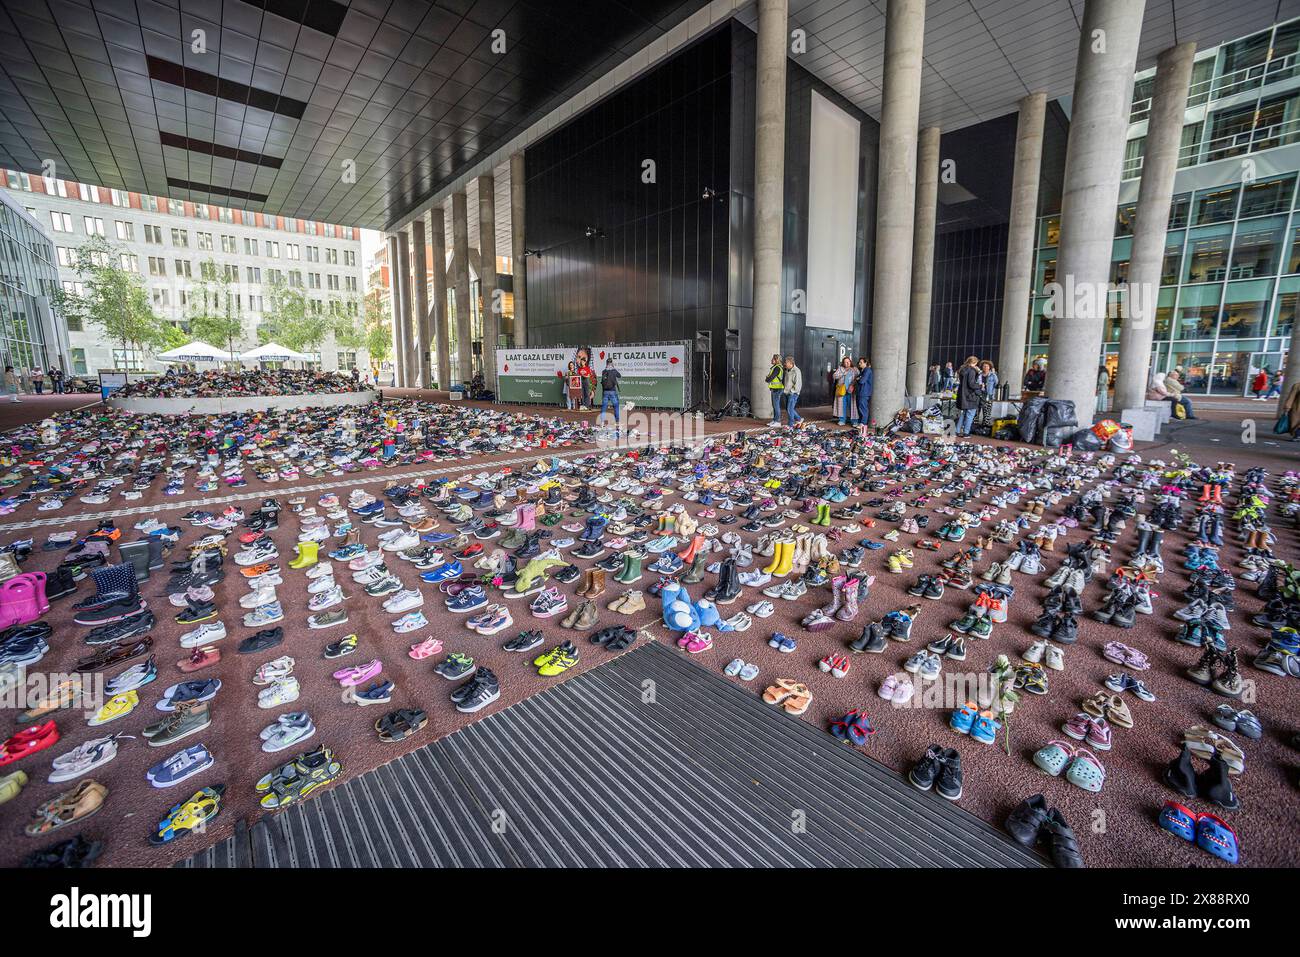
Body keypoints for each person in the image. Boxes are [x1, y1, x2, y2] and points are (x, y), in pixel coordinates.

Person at [598, 357, 622, 429]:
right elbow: (619, 375)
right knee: (616, 406)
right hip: (612, 391)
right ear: (612, 363)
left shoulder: (603, 371)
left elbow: (602, 382)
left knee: (604, 407)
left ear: (606, 363)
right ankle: (617, 422)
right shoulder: (614, 371)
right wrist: (613, 368)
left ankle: (602, 423)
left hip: (605, 392)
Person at [832, 356, 856, 426]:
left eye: (848, 361)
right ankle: (842, 420)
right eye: (845, 362)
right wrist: (843, 373)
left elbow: (858, 377)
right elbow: (834, 376)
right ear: (843, 363)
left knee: (852, 405)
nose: (847, 363)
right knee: (842, 405)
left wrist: (853, 385)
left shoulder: (854, 369)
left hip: (852, 390)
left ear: (850, 362)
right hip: (842, 390)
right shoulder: (840, 369)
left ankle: (854, 421)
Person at [780, 355, 802, 426]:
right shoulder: (787, 370)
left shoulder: (796, 371)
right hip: (786, 392)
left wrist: (792, 391)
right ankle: (799, 419)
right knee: (788, 408)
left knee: (789, 409)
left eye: (786, 363)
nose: (784, 364)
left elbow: (798, 384)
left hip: (793, 393)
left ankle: (791, 424)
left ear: (791, 363)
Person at [764, 353, 784, 426]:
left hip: (777, 389)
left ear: (776, 360)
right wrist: (768, 378)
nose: (771, 360)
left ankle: (778, 421)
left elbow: (770, 378)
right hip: (775, 389)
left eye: (773, 359)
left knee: (776, 405)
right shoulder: (776, 367)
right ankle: (775, 420)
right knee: (774, 405)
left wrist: (767, 379)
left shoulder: (777, 368)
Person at [855, 357, 873, 428]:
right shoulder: (863, 370)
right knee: (860, 407)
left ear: (865, 363)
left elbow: (862, 381)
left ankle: (863, 423)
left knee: (863, 408)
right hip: (861, 392)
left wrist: (859, 378)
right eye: (859, 362)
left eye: (861, 362)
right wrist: (859, 378)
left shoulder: (867, 370)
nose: (859, 364)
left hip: (864, 392)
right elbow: (858, 378)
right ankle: (861, 422)